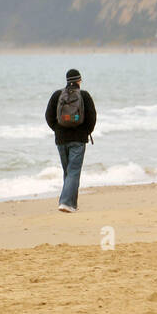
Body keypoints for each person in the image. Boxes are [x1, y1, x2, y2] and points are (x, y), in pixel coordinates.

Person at [44, 68, 97, 212]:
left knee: (68, 172)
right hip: (78, 139)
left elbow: (49, 116)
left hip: (61, 139)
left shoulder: (57, 95)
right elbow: (92, 117)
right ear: (79, 80)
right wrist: (85, 132)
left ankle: (72, 204)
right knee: (73, 171)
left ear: (67, 80)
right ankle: (66, 202)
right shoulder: (84, 95)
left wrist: (58, 129)